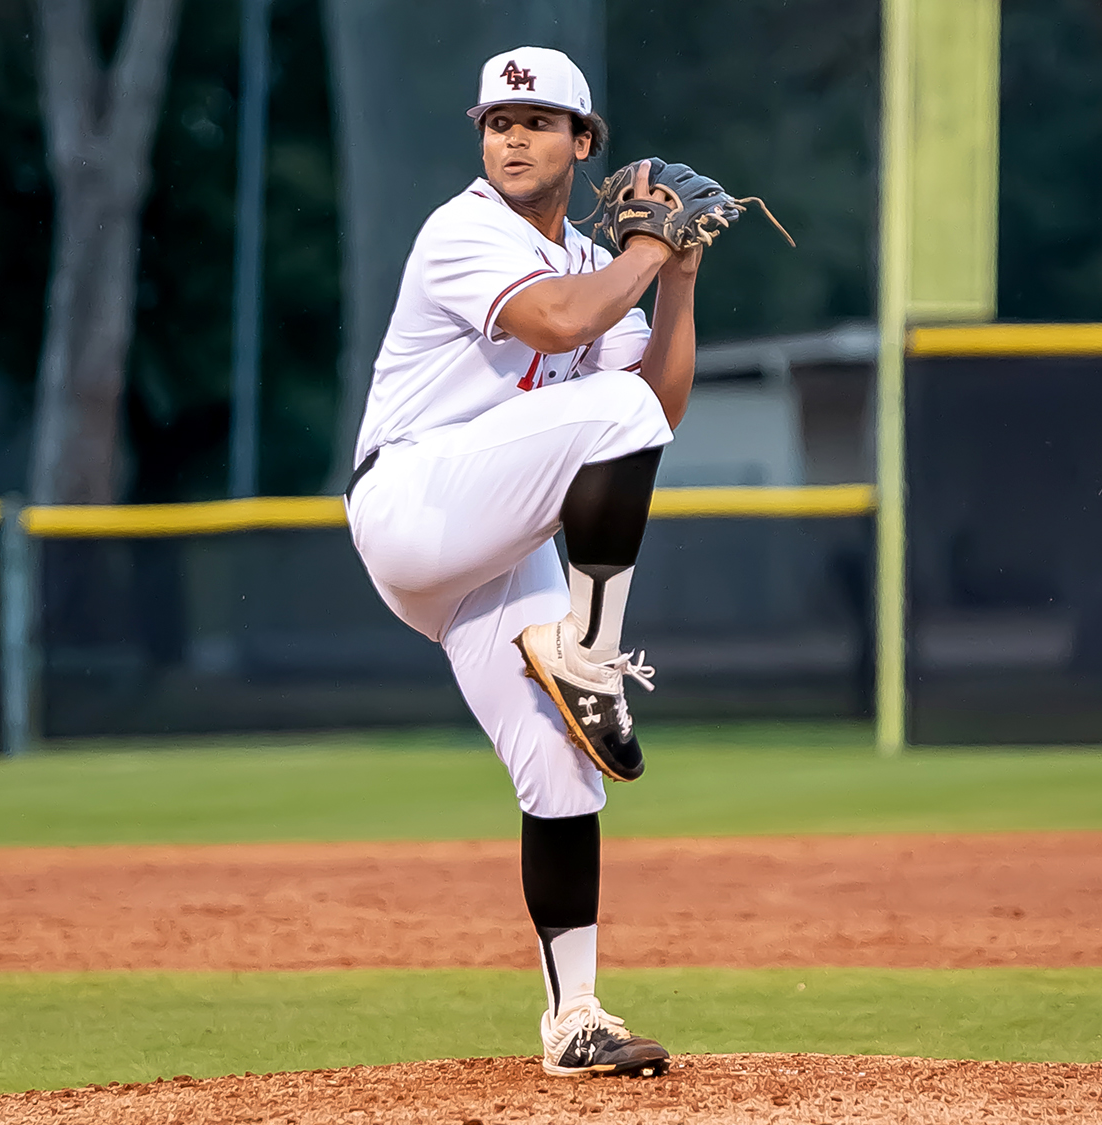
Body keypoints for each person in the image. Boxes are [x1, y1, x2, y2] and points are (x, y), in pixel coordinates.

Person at [342, 44, 701, 1078]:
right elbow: (556, 322)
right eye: (498, 122)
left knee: (561, 768)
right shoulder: (461, 229)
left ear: (582, 145)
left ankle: (574, 1018)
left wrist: (677, 274)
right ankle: (588, 651)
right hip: (413, 504)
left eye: (538, 122)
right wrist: (646, 245)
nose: (511, 137)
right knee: (612, 410)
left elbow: (658, 408)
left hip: (491, 544)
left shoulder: (595, 260)